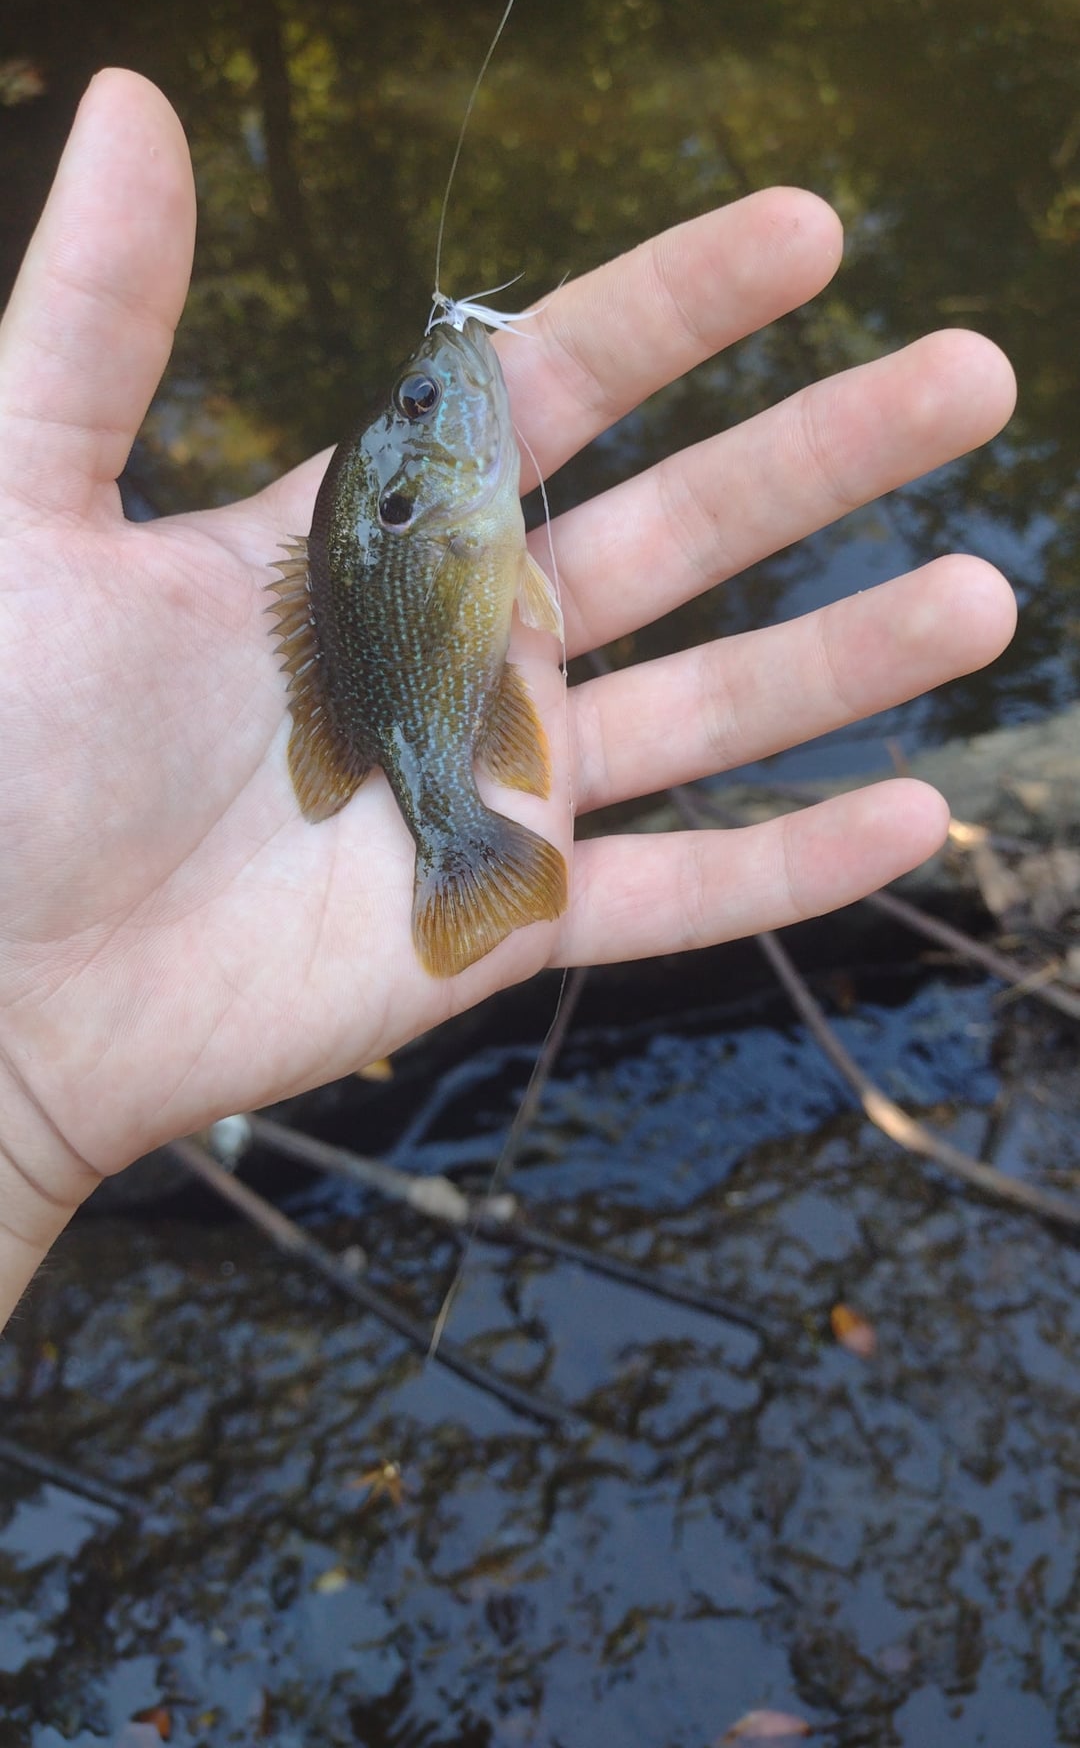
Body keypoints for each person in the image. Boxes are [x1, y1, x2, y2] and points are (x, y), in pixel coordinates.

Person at [0, 70, 1017, 1330]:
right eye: (419, 406)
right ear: (409, 500)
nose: (436, 386)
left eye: (414, 399)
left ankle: (461, 849)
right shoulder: (425, 513)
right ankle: (459, 851)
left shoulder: (435, 513)